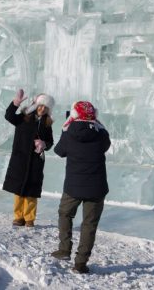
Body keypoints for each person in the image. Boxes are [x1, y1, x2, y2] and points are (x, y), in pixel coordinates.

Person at [51, 101, 111, 274]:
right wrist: (99, 125)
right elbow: (106, 146)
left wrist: (64, 129)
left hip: (73, 188)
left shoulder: (69, 132)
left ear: (74, 115)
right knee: (89, 225)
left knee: (65, 214)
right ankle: (80, 264)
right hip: (96, 188)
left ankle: (64, 249)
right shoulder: (101, 134)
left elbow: (59, 151)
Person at [2, 89, 55, 228]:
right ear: (36, 105)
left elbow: (50, 142)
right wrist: (15, 104)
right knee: (19, 190)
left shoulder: (47, 124)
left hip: (36, 161)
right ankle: (18, 217)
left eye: (45, 108)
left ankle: (29, 218)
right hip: (20, 159)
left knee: (31, 191)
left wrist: (44, 144)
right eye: (40, 105)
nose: (42, 109)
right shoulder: (23, 117)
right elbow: (9, 116)